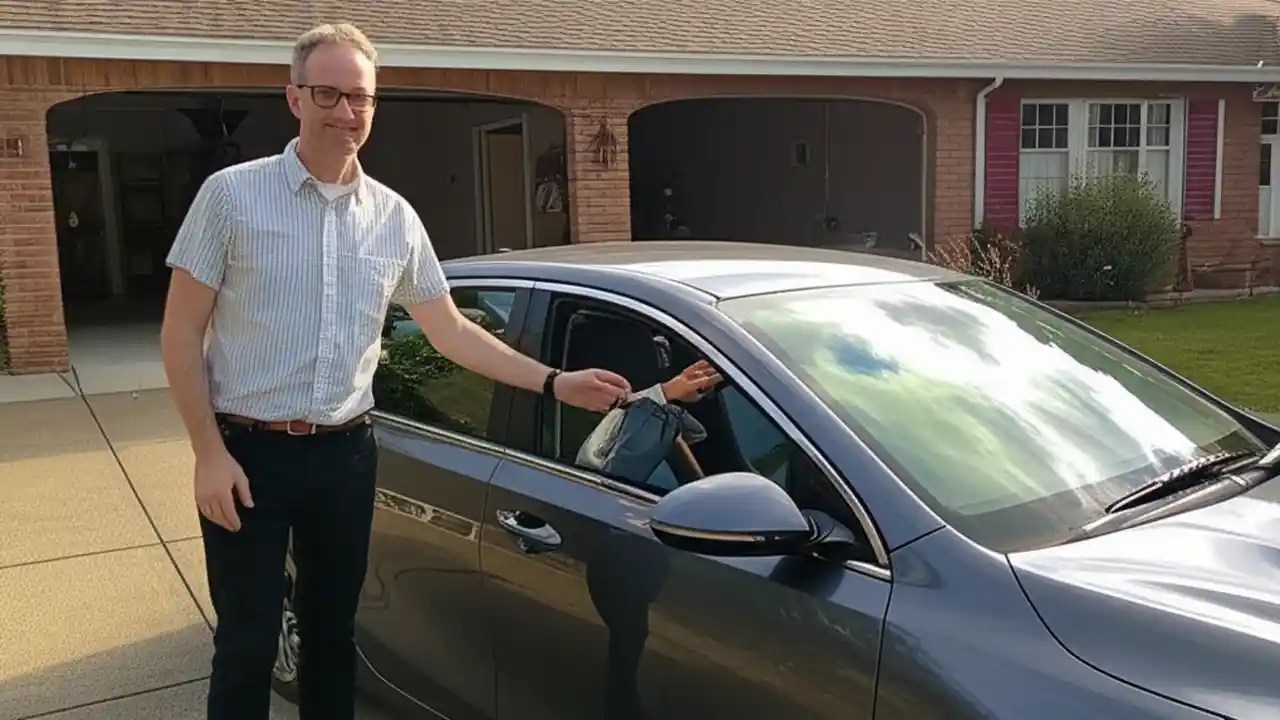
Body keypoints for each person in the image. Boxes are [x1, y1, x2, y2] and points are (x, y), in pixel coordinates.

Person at [158, 22, 630, 720]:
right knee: (248, 644)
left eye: (362, 98)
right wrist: (208, 454)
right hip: (247, 456)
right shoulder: (231, 198)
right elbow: (179, 332)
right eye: (329, 93)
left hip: (346, 455)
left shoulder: (395, 220)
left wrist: (554, 382)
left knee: (332, 637)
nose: (347, 112)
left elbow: (451, 331)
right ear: (294, 97)